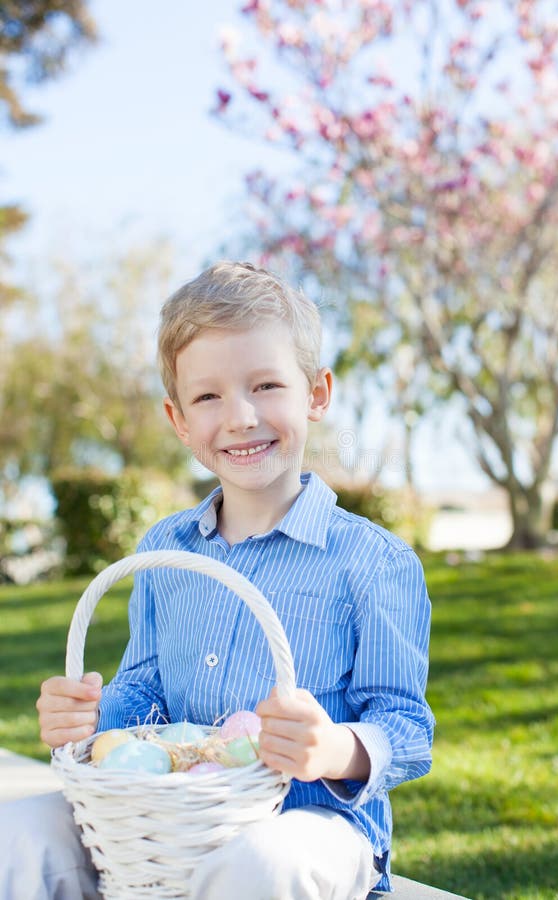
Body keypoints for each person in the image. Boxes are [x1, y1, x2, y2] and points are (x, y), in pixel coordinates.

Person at [0, 261, 435, 900]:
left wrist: (336, 747)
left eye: (265, 385)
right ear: (179, 420)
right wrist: (93, 716)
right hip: (165, 825)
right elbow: (146, 689)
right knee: (19, 832)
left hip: (315, 825)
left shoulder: (374, 562)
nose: (239, 417)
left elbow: (407, 727)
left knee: (257, 864)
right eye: (208, 397)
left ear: (316, 394)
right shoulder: (165, 550)